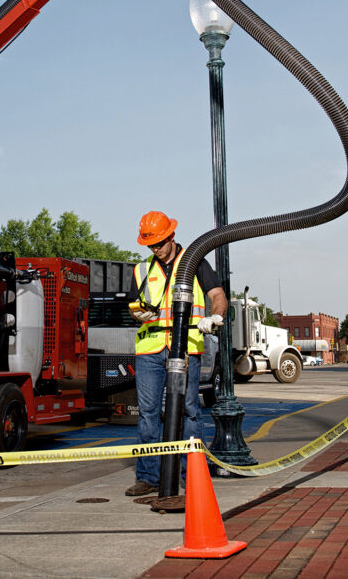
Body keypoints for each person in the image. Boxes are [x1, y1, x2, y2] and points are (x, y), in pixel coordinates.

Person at [125, 210, 228, 497]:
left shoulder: (194, 261)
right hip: (150, 349)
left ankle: (192, 472)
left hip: (185, 346)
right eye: (151, 245)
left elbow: (218, 296)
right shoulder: (142, 269)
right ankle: (148, 476)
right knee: (147, 413)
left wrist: (215, 317)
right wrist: (140, 314)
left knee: (189, 411)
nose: (155, 249)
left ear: (172, 236)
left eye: (159, 243)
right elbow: (135, 308)